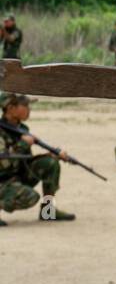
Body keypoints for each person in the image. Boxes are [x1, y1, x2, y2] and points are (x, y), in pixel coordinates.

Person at [0, 94, 75, 224]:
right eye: (25, 106)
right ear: (11, 108)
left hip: (16, 176)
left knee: (50, 163)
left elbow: (24, 161)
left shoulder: (22, 129)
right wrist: (22, 145)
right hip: (3, 180)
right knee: (30, 197)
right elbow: (3, 163)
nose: (29, 109)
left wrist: (49, 155)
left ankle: (48, 210)